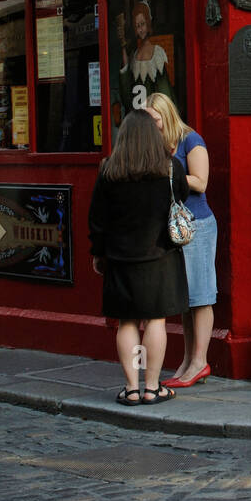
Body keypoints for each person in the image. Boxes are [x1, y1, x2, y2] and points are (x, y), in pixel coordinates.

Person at [88, 109, 189, 405]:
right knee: (156, 322)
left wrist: (98, 252)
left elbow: (97, 217)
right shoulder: (170, 168)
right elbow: (180, 198)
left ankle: (131, 388)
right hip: (160, 256)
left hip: (120, 258)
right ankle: (153, 387)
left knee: (127, 323)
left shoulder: (109, 169)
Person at [144, 93, 216, 389]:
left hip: (196, 224)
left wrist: (169, 173)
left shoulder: (191, 140)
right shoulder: (157, 143)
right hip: (174, 228)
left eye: (156, 120)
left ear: (167, 115)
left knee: (201, 296)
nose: (153, 126)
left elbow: (201, 182)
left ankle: (200, 361)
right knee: (186, 299)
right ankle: (188, 360)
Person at [117, 0, 175, 121]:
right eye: (137, 26)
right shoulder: (134, 56)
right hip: (139, 121)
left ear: (148, 23)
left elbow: (165, 95)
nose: (141, 30)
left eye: (143, 24)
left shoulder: (157, 53)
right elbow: (127, 96)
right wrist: (123, 46)